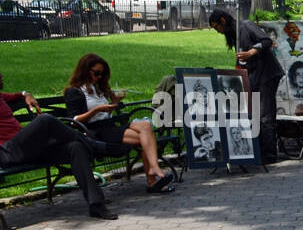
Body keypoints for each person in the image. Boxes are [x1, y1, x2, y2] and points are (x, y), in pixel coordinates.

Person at [0, 70, 117, 219]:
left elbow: (19, 94)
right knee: (45, 120)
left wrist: (25, 94)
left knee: (76, 147)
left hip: (28, 149)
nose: (2, 76)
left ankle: (96, 205)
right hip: (8, 152)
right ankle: (92, 144)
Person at [63, 54, 174, 193]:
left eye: (102, 74)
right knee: (145, 139)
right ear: (85, 70)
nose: (99, 77)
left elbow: (105, 114)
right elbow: (73, 121)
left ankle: (154, 169)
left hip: (109, 126)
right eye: (96, 73)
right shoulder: (75, 92)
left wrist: (114, 102)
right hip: (95, 132)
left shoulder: (98, 89)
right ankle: (152, 178)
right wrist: (96, 110)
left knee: (145, 126)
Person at [209, 9, 283, 162]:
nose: (219, 32)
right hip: (253, 76)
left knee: (265, 114)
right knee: (256, 113)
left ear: (223, 21)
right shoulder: (235, 34)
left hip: (267, 75)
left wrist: (251, 52)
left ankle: (269, 154)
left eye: (218, 28)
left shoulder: (246, 26)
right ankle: (260, 149)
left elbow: (266, 41)